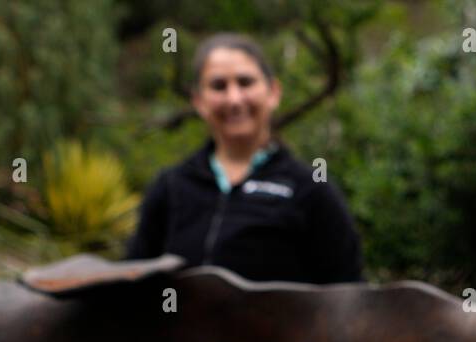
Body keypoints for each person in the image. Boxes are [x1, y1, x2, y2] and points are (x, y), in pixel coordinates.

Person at [125, 33, 364, 284]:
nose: (234, 99)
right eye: (218, 86)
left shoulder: (310, 190)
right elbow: (134, 285)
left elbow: (349, 297)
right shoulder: (171, 187)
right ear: (199, 101)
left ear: (273, 92)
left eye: (245, 82)